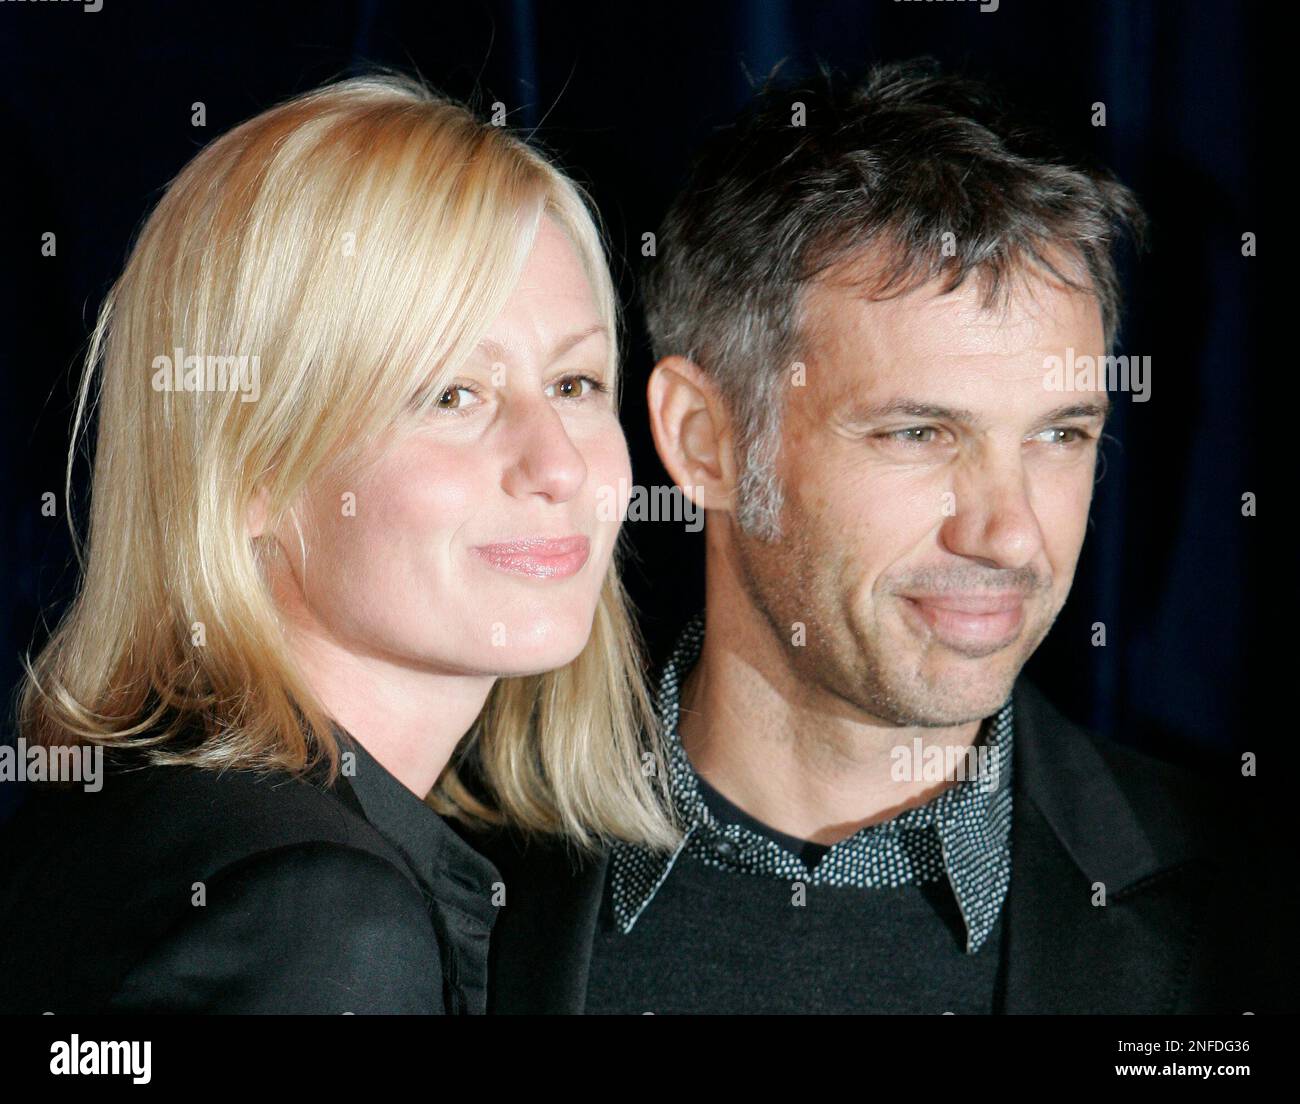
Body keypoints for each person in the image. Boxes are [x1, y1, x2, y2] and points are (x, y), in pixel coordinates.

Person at [471, 59, 1289, 1014]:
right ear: (706, 440)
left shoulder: (1253, 909)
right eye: (919, 434)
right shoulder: (452, 874)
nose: (1010, 533)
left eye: (1059, 435)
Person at [0, 72, 678, 1014]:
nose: (557, 465)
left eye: (574, 384)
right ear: (249, 475)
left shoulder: (149, 831)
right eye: (454, 395)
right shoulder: (315, 917)